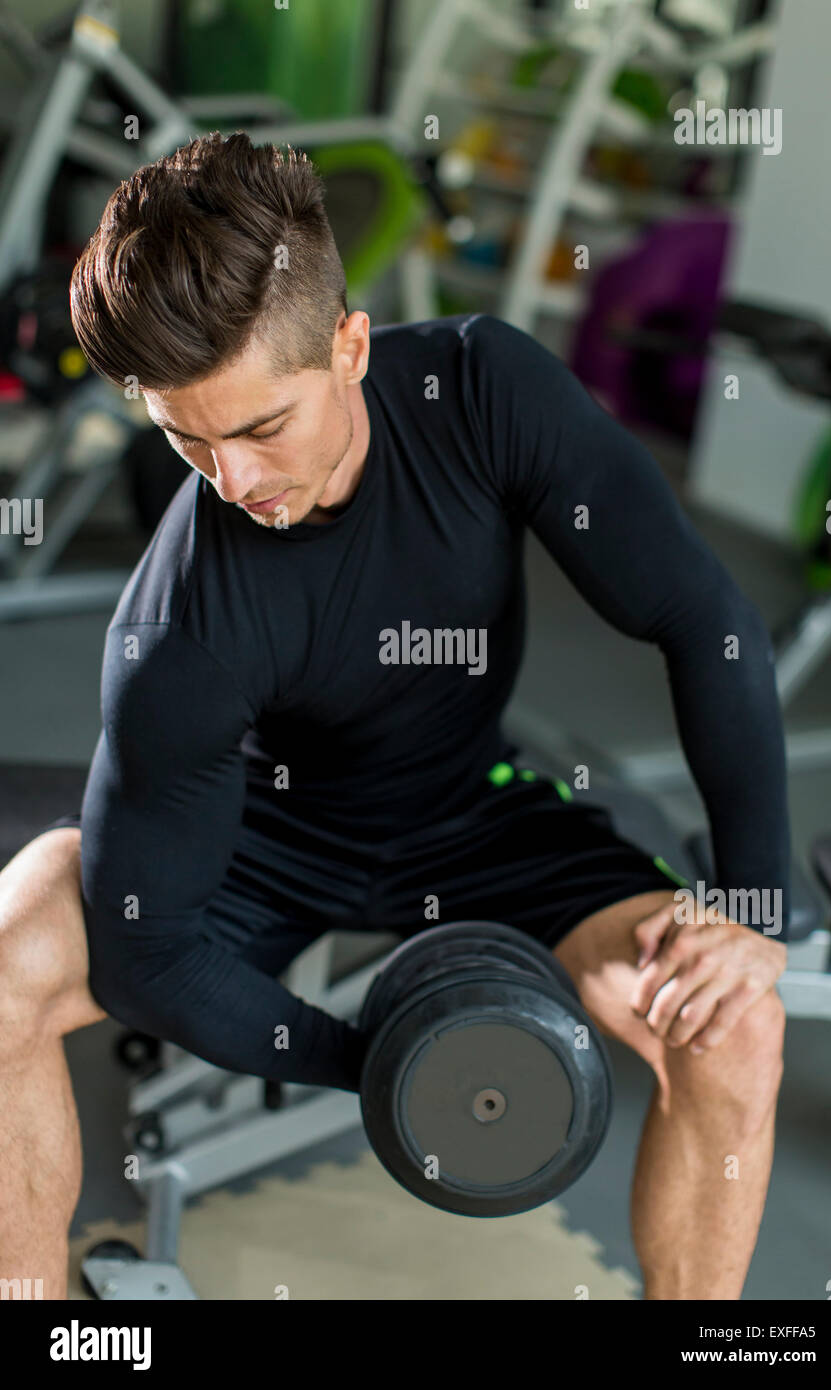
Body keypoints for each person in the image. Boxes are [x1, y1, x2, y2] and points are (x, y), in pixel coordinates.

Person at [0, 133, 789, 1301]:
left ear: (350, 345)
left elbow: (699, 616)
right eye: (186, 442)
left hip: (480, 811)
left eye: (263, 428)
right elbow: (150, 948)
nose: (234, 482)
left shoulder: (480, 391)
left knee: (733, 1024)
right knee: (9, 958)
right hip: (255, 840)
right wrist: (380, 1061)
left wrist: (752, 899)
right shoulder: (176, 632)